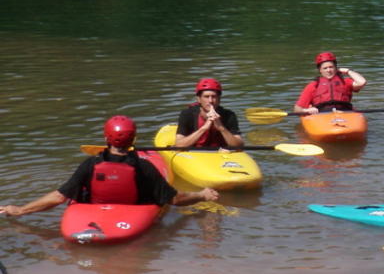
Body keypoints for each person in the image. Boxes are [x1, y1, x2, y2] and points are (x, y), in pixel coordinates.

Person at [1, 116, 219, 217]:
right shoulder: (144, 167)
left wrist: (21, 210)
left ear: (106, 138)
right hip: (133, 212)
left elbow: (59, 197)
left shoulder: (91, 164)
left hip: (94, 212)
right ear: (133, 139)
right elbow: (175, 200)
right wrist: (202, 195)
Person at [175, 78, 244, 150]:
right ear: (199, 99)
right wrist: (204, 128)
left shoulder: (229, 115)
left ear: (219, 99)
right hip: (195, 152)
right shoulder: (187, 114)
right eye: (206, 97)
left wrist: (221, 128)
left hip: (222, 152)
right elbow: (179, 145)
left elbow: (239, 145)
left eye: (214, 96)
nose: (210, 101)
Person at [294, 51, 367, 114]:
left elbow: (362, 82)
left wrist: (348, 71)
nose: (328, 70)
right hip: (321, 115)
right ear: (320, 70)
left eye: (331, 67)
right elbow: (297, 109)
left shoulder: (345, 82)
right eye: (325, 68)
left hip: (345, 113)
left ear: (336, 68)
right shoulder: (313, 86)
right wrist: (306, 110)